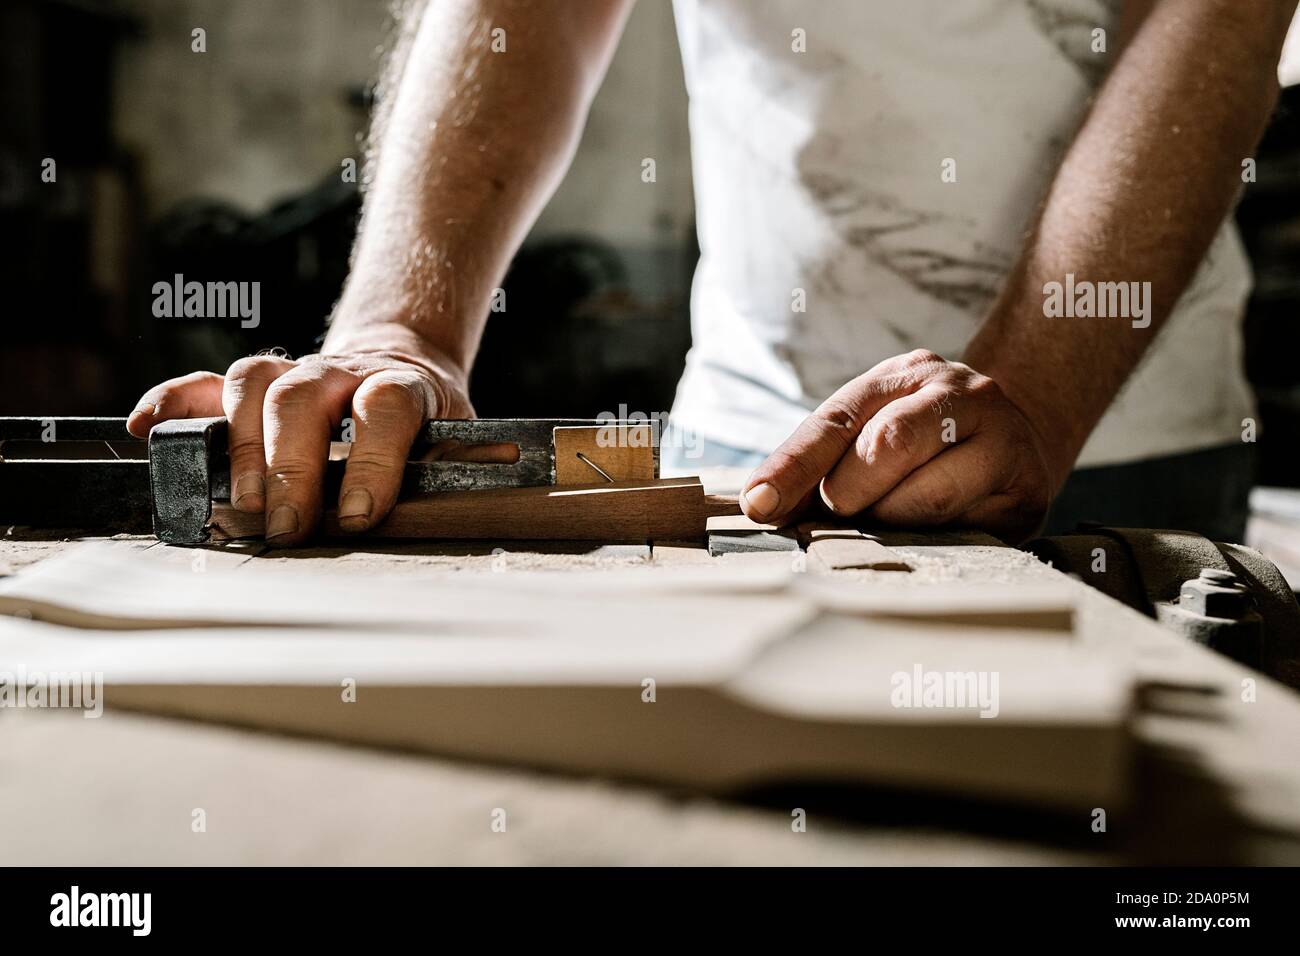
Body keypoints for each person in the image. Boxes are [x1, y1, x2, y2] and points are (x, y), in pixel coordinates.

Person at [126, 0, 1297, 546]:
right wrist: (401, 331)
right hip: (744, 436)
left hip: (1113, 424)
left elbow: (1215, 19)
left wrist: (1036, 389)